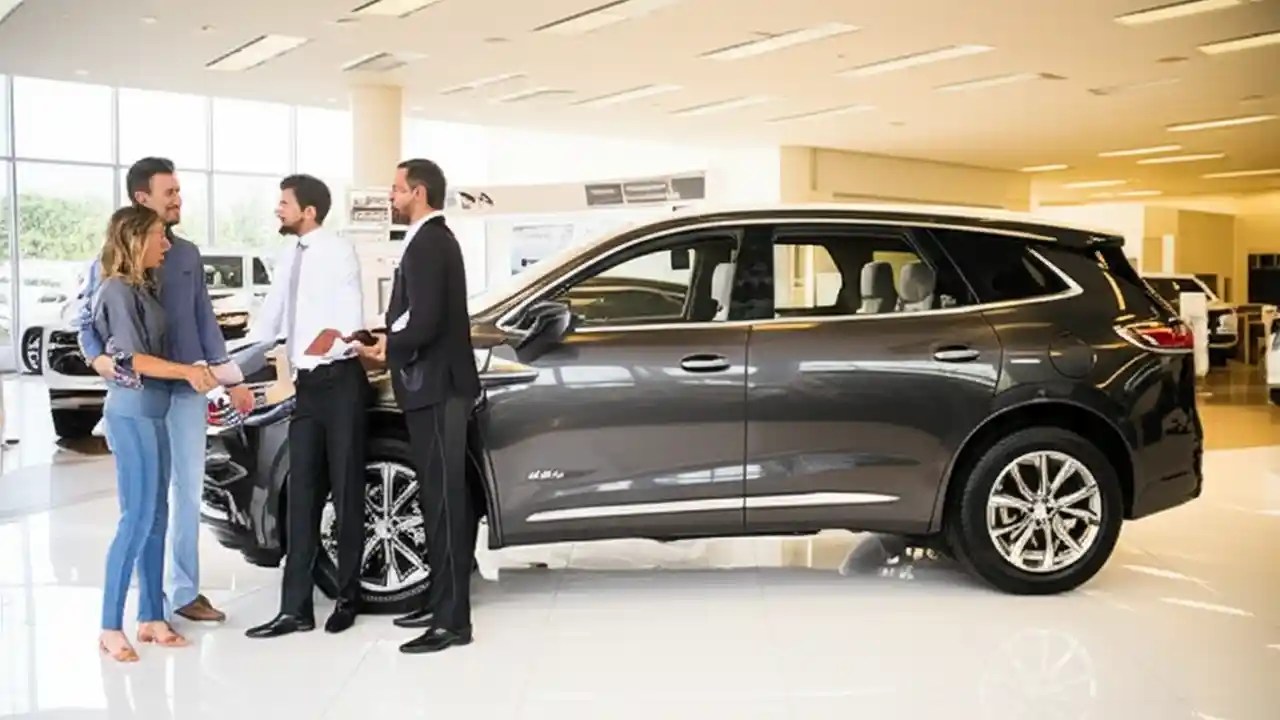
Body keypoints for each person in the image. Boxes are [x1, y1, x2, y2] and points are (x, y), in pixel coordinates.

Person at [78, 157, 254, 625]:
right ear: (143, 198)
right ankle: (146, 604)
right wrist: (98, 359)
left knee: (186, 492)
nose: (178, 199)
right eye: (169, 192)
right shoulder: (112, 260)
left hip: (187, 389)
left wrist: (232, 381)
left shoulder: (188, 254)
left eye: (178, 191)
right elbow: (88, 323)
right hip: (143, 393)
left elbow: (205, 322)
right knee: (143, 507)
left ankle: (183, 592)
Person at [355, 158, 480, 654]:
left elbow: (425, 323)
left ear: (419, 193)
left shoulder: (430, 241)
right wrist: (389, 334)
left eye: (396, 189)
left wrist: (388, 346)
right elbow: (416, 315)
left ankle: (453, 622)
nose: (391, 196)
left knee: (445, 501)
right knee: (436, 497)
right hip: (430, 385)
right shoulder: (429, 240)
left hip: (439, 388)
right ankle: (437, 600)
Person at [245, 174, 371, 639]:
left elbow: (350, 320)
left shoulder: (338, 251)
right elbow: (269, 321)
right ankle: (294, 609)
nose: (278, 209)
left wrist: (325, 348)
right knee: (302, 500)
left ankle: (347, 597)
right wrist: (229, 361)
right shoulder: (288, 257)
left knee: (346, 490)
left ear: (309, 211)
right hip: (307, 390)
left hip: (341, 384)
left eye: (284, 202)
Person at [94, 205, 222, 662]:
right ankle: (110, 626)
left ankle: (151, 616)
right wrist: (188, 372)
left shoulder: (143, 287)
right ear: (134, 240)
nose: (166, 243)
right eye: (158, 237)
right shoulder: (115, 290)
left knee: (158, 517)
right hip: (132, 414)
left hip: (158, 409)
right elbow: (132, 359)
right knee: (135, 519)